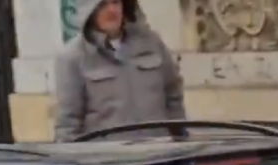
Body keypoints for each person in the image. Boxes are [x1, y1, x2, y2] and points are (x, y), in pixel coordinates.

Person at [54, 0, 185, 142]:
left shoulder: (152, 43)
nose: (111, 10)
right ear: (89, 10)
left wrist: (181, 142)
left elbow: (174, 97)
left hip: (160, 157)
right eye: (103, 4)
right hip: (110, 161)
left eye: (116, 2)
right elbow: (68, 124)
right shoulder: (73, 57)